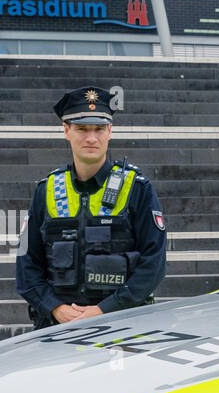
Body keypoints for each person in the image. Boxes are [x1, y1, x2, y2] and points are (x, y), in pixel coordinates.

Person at [16, 86, 166, 329]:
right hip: (57, 327)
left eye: (99, 129)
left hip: (123, 325)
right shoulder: (47, 189)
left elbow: (154, 264)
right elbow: (26, 264)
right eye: (82, 129)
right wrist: (56, 309)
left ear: (110, 131)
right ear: (66, 130)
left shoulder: (137, 187)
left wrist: (103, 310)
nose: (91, 138)